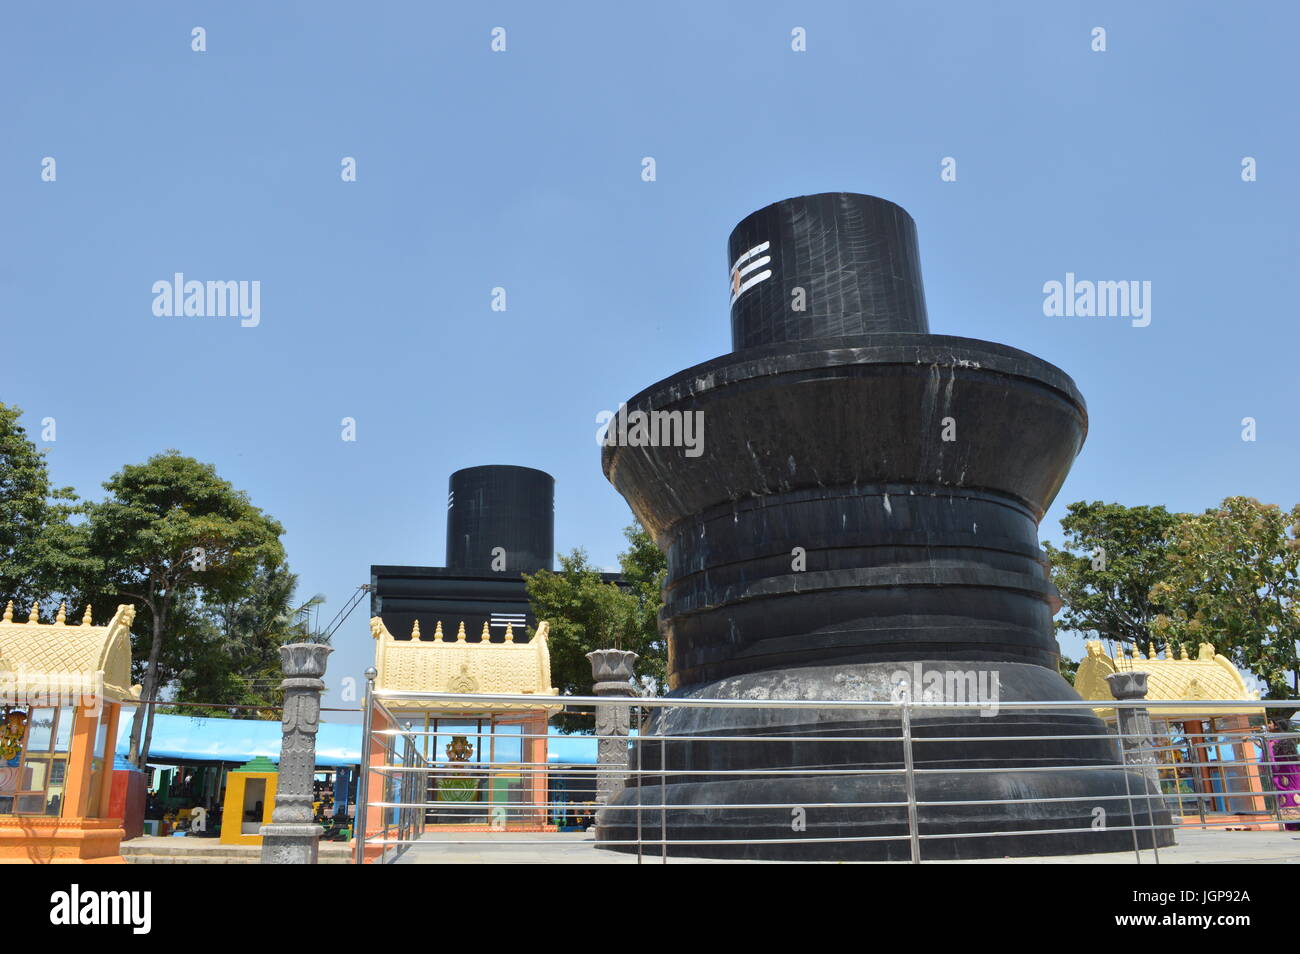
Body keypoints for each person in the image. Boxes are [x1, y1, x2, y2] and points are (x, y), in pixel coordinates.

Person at [1266, 716, 1299, 829]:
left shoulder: (1274, 742)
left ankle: (1292, 824)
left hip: (1284, 775)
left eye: (1270, 723)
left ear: (1276, 725)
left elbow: (1271, 760)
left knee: (1287, 795)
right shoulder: (1288, 741)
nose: (1268, 725)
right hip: (1293, 773)